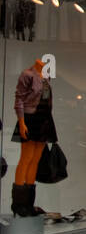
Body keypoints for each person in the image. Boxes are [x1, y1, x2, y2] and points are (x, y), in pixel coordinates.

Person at [12, 58, 56, 217]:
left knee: (36, 159)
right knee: (26, 158)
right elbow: (19, 99)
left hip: (44, 120)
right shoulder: (27, 74)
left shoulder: (46, 77)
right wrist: (21, 121)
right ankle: (18, 203)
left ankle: (29, 203)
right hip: (30, 119)